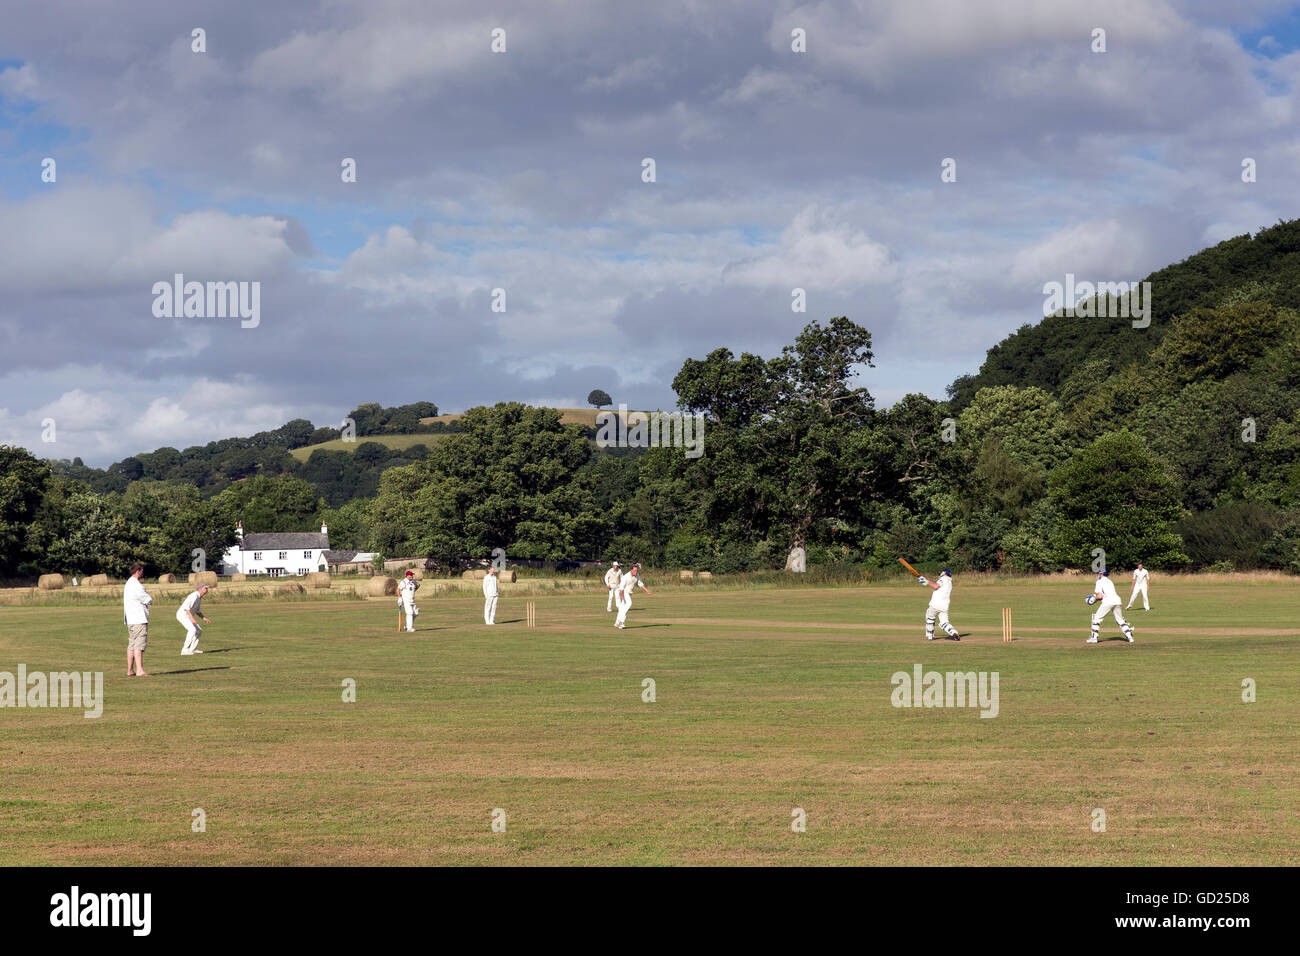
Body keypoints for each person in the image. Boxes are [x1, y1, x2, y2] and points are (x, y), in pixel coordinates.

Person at [1086, 568, 1135, 643]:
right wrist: (1096, 599)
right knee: (1120, 620)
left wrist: (1093, 599)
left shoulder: (1099, 582)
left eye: (1099, 572)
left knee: (1096, 618)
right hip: (1117, 601)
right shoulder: (1110, 581)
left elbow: (1100, 596)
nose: (1099, 574)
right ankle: (1130, 637)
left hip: (1108, 602)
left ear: (1101, 573)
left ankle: (1094, 638)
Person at [123, 563, 153, 676]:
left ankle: (130, 670)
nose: (143, 573)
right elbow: (147, 599)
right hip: (138, 618)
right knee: (139, 644)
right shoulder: (136, 585)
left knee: (132, 644)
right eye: (142, 571)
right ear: (138, 571)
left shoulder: (128, 583)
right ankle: (140, 670)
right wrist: (149, 600)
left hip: (130, 618)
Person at [917, 569, 960, 640]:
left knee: (930, 618)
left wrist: (926, 581)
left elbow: (936, 586)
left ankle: (930, 636)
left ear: (944, 573)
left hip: (935, 604)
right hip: (944, 606)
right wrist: (925, 581)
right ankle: (953, 632)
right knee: (944, 623)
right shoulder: (949, 582)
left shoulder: (943, 579)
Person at [614, 562, 651, 629]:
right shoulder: (625, 577)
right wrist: (621, 596)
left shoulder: (637, 574)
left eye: (636, 570)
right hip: (623, 592)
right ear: (631, 570)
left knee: (622, 609)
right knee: (629, 604)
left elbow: (640, 583)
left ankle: (617, 623)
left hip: (629, 593)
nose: (635, 572)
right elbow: (621, 588)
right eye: (634, 570)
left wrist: (646, 590)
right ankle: (621, 622)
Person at [177, 584, 212, 655]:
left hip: (188, 615)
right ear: (200, 589)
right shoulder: (194, 596)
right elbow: (186, 608)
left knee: (199, 630)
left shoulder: (199, 598)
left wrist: (204, 618)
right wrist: (192, 619)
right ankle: (184, 650)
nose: (207, 590)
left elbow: (197, 611)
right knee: (192, 630)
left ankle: (193, 649)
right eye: (205, 588)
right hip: (182, 615)